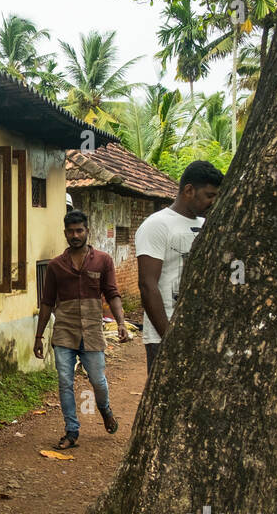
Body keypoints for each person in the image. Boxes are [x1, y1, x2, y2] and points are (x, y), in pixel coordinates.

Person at [33, 209, 129, 450]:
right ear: (65, 233)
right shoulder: (56, 266)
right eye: (70, 231)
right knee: (65, 381)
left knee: (97, 380)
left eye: (79, 230)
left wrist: (120, 323)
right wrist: (38, 335)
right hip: (64, 331)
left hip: (92, 332)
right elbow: (46, 302)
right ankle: (71, 431)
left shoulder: (103, 260)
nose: (75, 235)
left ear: (87, 231)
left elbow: (112, 293)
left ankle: (105, 410)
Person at [134, 160, 224, 374]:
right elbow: (147, 285)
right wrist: (169, 339)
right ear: (189, 190)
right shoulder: (157, 225)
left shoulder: (206, 225)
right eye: (209, 196)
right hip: (164, 335)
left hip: (200, 332)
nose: (213, 202)